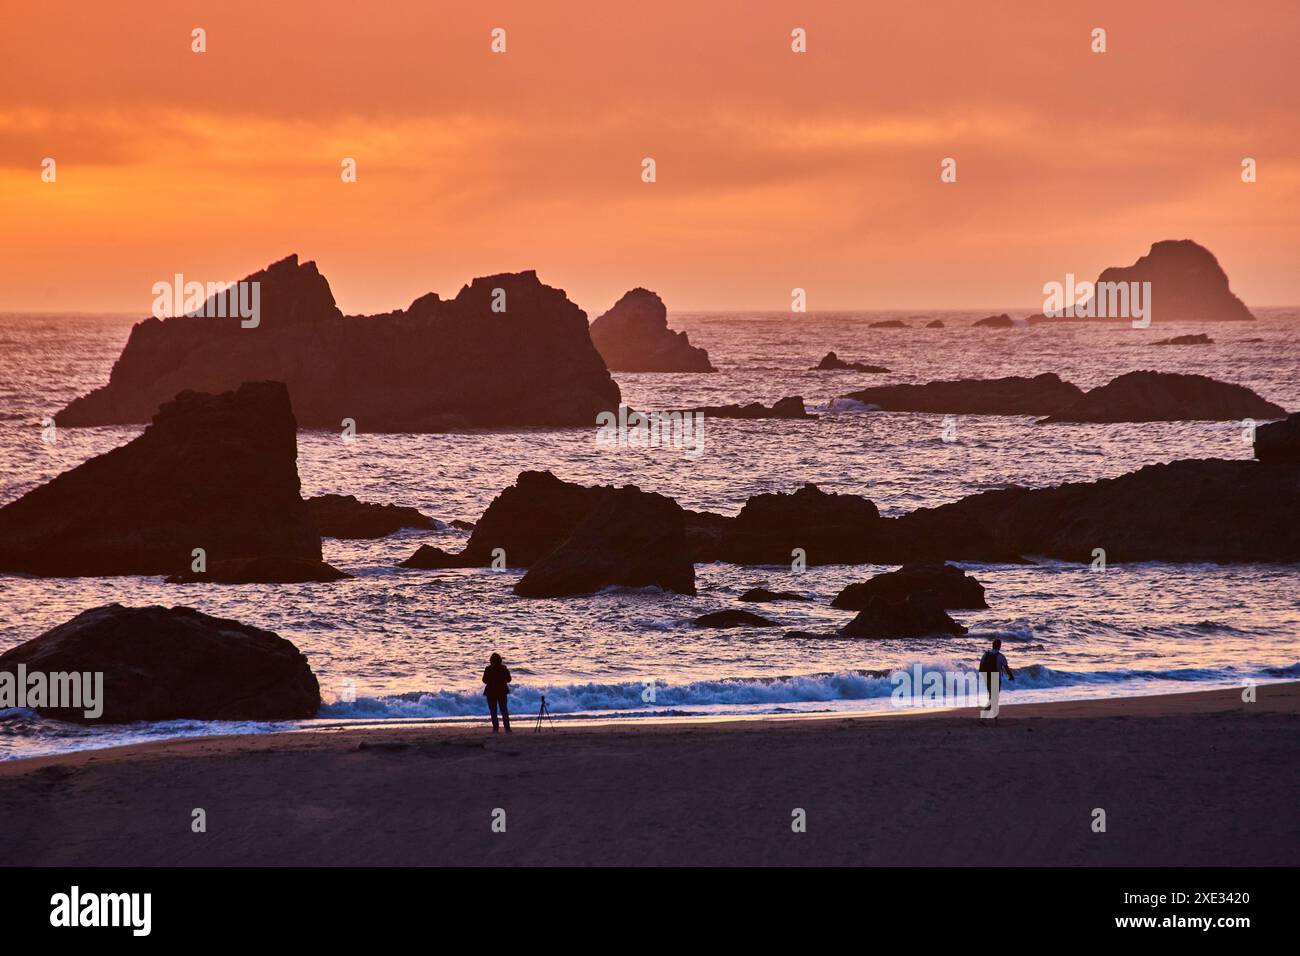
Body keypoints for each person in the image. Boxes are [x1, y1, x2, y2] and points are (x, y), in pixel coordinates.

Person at [977, 638, 1014, 719]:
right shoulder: (1000, 656)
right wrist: (1011, 676)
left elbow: (980, 667)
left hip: (987, 677)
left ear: (992, 645)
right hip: (995, 678)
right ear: (999, 646)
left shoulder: (985, 655)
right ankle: (983, 717)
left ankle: (995, 717)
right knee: (994, 699)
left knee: (992, 697)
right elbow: (1006, 668)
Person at [482, 652, 512, 733]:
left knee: (493, 711)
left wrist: (492, 681)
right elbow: (509, 679)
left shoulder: (488, 669)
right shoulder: (503, 668)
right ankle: (507, 728)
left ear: (491, 661)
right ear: (500, 660)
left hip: (491, 692)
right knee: (504, 710)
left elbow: (484, 680)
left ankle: (495, 729)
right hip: (502, 691)